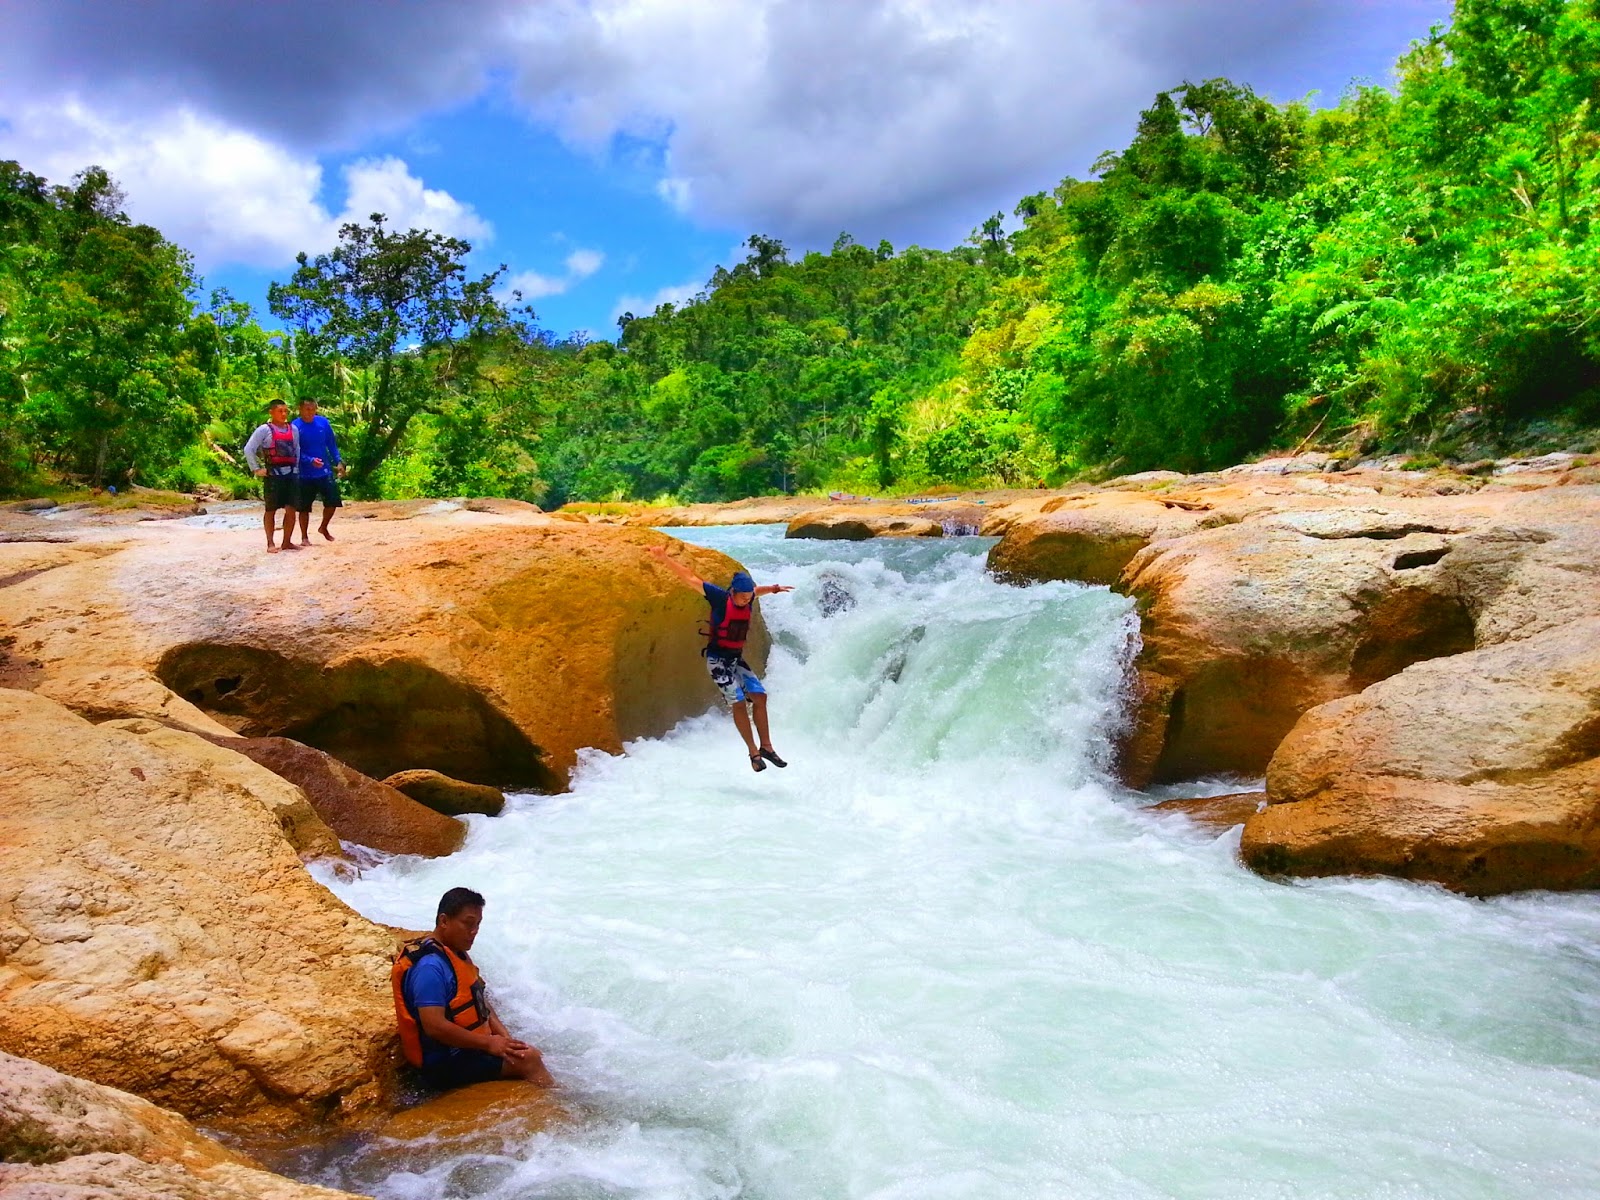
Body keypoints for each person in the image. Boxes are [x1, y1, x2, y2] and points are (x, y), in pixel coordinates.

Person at [648, 543, 793, 772]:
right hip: (718, 661)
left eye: (748, 597)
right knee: (737, 702)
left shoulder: (748, 596)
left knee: (760, 697)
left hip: (736, 659)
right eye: (742, 597)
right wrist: (663, 558)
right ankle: (753, 753)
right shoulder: (718, 597)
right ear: (732, 592)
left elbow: (757, 591)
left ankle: (767, 747)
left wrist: (774, 588)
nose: (746, 600)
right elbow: (690, 578)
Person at [391, 887, 555, 1090]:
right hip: (443, 1062)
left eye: (478, 924)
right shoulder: (430, 968)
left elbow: (479, 1000)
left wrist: (504, 1039)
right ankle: (561, 1104)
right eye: (468, 923)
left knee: (529, 1052)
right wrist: (488, 1044)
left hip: (464, 1049)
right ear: (444, 921)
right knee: (529, 1060)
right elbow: (434, 1026)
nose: (474, 931)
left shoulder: (454, 952)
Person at [242, 400, 300, 553]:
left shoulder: (293, 429)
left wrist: (297, 469)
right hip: (273, 475)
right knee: (271, 510)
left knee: (291, 509)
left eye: (285, 411)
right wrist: (256, 469)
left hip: (291, 474)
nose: (283, 414)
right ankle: (270, 543)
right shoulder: (263, 430)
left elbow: (297, 449)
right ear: (271, 412)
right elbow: (249, 449)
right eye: (280, 411)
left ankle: (287, 542)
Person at [292, 397, 346, 545]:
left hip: (324, 470)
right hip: (305, 473)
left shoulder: (323, 423)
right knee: (304, 507)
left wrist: (338, 461)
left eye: (313, 409)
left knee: (332, 502)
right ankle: (304, 536)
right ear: (300, 409)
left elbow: (331, 444)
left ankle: (323, 527)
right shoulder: (295, 427)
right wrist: (309, 460)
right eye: (307, 409)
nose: (310, 412)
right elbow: (295, 450)